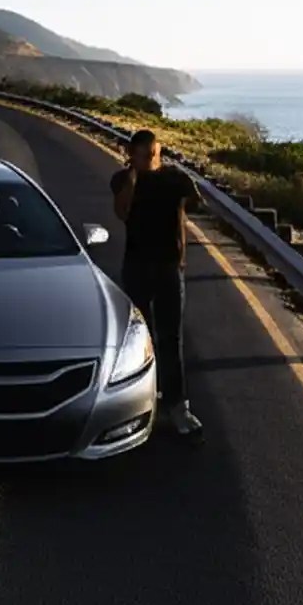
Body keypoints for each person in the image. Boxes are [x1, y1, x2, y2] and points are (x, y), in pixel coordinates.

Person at [110, 129, 205, 442]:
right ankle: (140, 403)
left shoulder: (174, 178)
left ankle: (177, 406)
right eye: (143, 153)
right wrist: (133, 178)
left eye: (153, 152)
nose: (150, 157)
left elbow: (197, 203)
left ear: (159, 149)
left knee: (170, 338)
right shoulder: (122, 180)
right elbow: (121, 211)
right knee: (138, 339)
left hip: (168, 268)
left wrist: (186, 180)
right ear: (132, 153)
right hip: (136, 267)